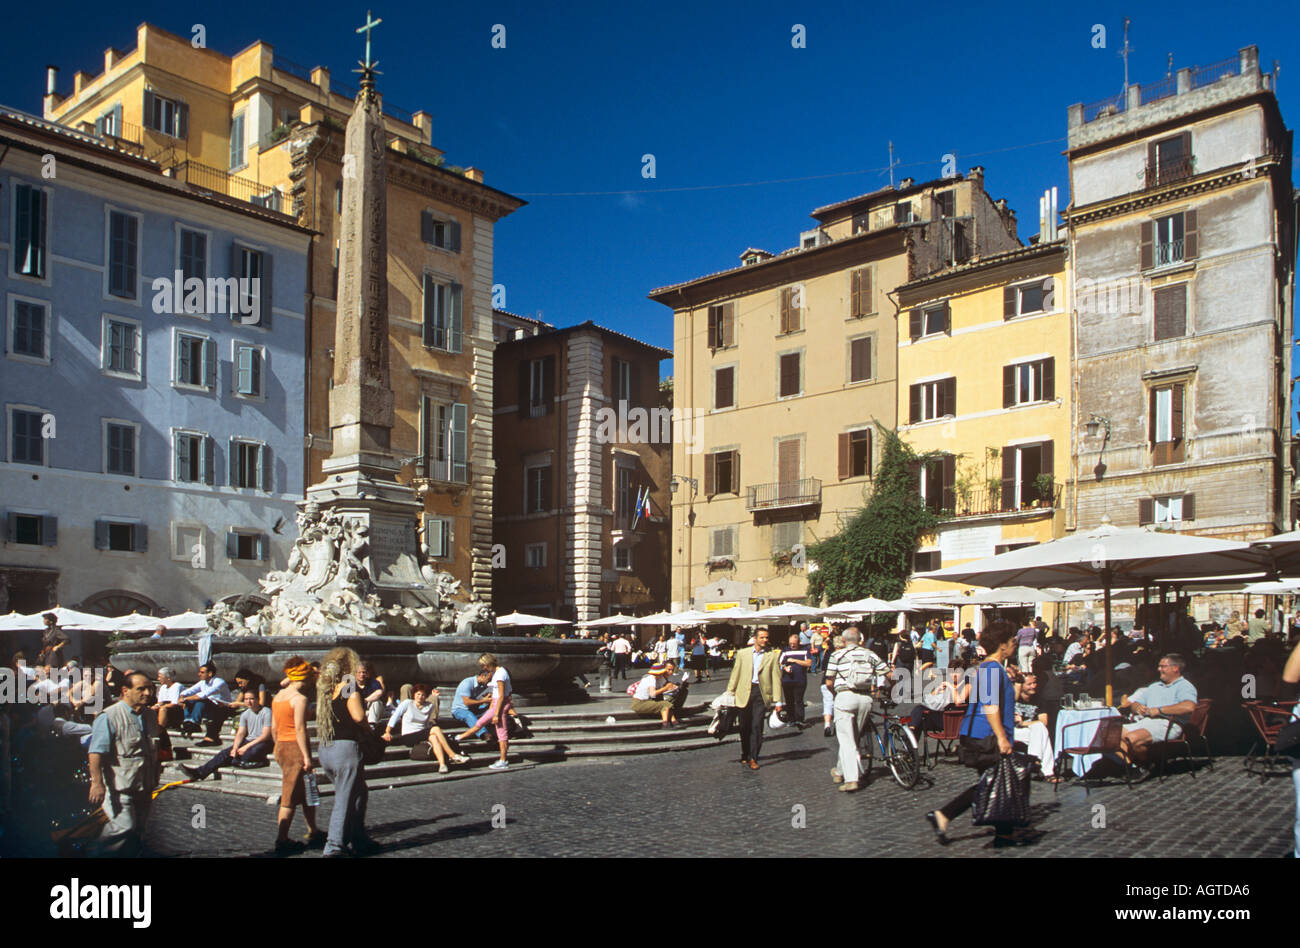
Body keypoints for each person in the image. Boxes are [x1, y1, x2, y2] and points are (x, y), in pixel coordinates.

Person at [926, 620, 1025, 849]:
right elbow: (990, 706)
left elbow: (1006, 702)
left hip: (989, 732)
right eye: (1012, 641)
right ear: (1002, 645)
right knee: (994, 782)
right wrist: (1001, 737)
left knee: (996, 780)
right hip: (986, 735)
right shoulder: (990, 668)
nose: (1015, 645)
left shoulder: (994, 668)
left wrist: (1016, 683)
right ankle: (944, 815)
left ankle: (1004, 833)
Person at [87, 672, 158, 856]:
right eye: (141, 689)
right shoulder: (109, 716)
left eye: (149, 688)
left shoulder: (150, 716)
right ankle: (95, 853)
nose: (147, 693)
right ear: (125, 691)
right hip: (120, 787)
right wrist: (96, 783)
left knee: (139, 830)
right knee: (124, 826)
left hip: (145, 785)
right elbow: (95, 752)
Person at [317, 647, 377, 857]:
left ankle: (359, 838)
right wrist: (369, 731)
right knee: (344, 798)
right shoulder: (349, 687)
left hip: (326, 748)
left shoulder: (327, 689)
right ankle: (333, 847)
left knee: (359, 792)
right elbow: (358, 716)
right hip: (345, 749)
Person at [825, 627, 888, 793]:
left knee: (847, 741)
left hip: (845, 697)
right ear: (860, 640)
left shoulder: (837, 655)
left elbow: (829, 682)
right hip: (866, 699)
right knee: (853, 738)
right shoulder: (869, 654)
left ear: (844, 641)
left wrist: (835, 695)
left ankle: (852, 780)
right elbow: (888, 673)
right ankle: (839, 771)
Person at [271, 658, 324, 854]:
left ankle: (313, 830)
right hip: (296, 748)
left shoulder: (278, 696)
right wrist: (307, 758)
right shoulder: (300, 699)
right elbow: (301, 729)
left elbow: (274, 728)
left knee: (308, 791)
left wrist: (277, 747)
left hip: (282, 745)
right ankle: (282, 839)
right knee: (290, 795)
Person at [1117, 654, 1198, 764]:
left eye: (1163, 666)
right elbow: (1135, 703)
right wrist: (1137, 708)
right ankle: (1133, 767)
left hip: (1169, 724)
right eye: (1159, 666)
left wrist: (1160, 710)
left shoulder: (1184, 686)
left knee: (1132, 738)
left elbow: (1189, 706)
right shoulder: (1154, 686)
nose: (1158, 669)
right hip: (1146, 721)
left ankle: (1146, 763)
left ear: (1175, 668)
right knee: (1109, 734)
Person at [182, 688, 273, 781]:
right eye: (246, 699)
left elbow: (265, 736)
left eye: (251, 699)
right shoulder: (245, 714)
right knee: (224, 753)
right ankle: (200, 772)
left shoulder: (266, 712)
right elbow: (240, 733)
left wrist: (246, 747)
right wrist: (235, 748)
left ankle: (260, 762)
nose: (248, 701)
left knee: (248, 754)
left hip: (264, 742)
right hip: (249, 740)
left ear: (258, 699)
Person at [725, 627, 784, 770]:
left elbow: (776, 679)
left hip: (761, 693)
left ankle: (754, 757)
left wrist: (778, 700)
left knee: (757, 725)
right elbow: (736, 673)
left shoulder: (772, 655)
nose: (765, 640)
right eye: (762, 637)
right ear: (755, 638)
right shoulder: (743, 653)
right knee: (744, 726)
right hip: (744, 692)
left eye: (766, 637)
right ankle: (745, 753)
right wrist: (729, 692)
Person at [382, 683, 470, 773]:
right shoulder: (407, 703)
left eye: (423, 695)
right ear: (414, 695)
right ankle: (452, 755)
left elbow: (427, 723)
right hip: (409, 735)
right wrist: (387, 732)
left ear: (426, 696)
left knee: (434, 737)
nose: (420, 697)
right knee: (435, 729)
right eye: (418, 694)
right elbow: (395, 717)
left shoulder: (429, 706)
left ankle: (442, 765)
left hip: (422, 733)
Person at [454, 653, 516, 770]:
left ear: (488, 664)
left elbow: (502, 696)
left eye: (484, 665)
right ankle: (459, 737)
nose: (483, 668)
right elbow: (504, 694)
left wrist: (497, 714)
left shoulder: (499, 674)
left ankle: (503, 760)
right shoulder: (499, 672)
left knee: (501, 734)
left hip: (500, 706)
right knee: (480, 723)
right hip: (497, 704)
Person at [1013, 674, 1057, 781]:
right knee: (1042, 732)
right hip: (1013, 731)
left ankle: (1034, 759)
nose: (1033, 686)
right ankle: (1048, 772)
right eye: (1029, 684)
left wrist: (1023, 723)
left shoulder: (1039, 699)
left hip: (1031, 731)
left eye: (1034, 683)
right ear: (1021, 686)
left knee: (1040, 728)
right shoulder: (1014, 698)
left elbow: (1044, 721)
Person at [909, 658, 970, 735]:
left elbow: (959, 702)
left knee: (919, 714)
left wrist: (951, 687)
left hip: (956, 721)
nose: (954, 675)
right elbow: (931, 699)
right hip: (945, 717)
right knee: (919, 717)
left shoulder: (967, 683)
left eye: (957, 673)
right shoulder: (950, 682)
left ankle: (910, 734)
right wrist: (937, 690)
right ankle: (911, 738)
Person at [178, 662, 232, 746]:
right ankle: (188, 722)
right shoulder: (202, 682)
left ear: (210, 673)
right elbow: (189, 691)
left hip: (223, 708)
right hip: (210, 707)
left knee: (201, 700)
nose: (199, 674)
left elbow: (203, 695)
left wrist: (185, 699)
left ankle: (194, 723)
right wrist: (182, 697)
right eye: (199, 672)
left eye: (202, 672)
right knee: (189, 701)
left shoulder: (219, 682)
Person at [779, 633, 812, 728]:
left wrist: (795, 660)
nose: (792, 645)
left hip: (800, 680)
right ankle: (791, 719)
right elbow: (779, 664)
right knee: (789, 700)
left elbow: (809, 663)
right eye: (790, 643)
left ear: (798, 642)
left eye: (794, 643)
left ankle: (800, 719)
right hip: (787, 680)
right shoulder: (785, 651)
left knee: (799, 700)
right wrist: (785, 668)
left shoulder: (805, 650)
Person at [451, 670, 494, 738]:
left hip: (474, 709)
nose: (490, 681)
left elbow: (478, 701)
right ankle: (484, 734)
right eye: (489, 679)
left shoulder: (482, 686)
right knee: (469, 715)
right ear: (482, 676)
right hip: (460, 710)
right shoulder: (467, 683)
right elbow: (467, 702)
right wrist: (483, 700)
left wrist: (487, 699)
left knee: (492, 709)